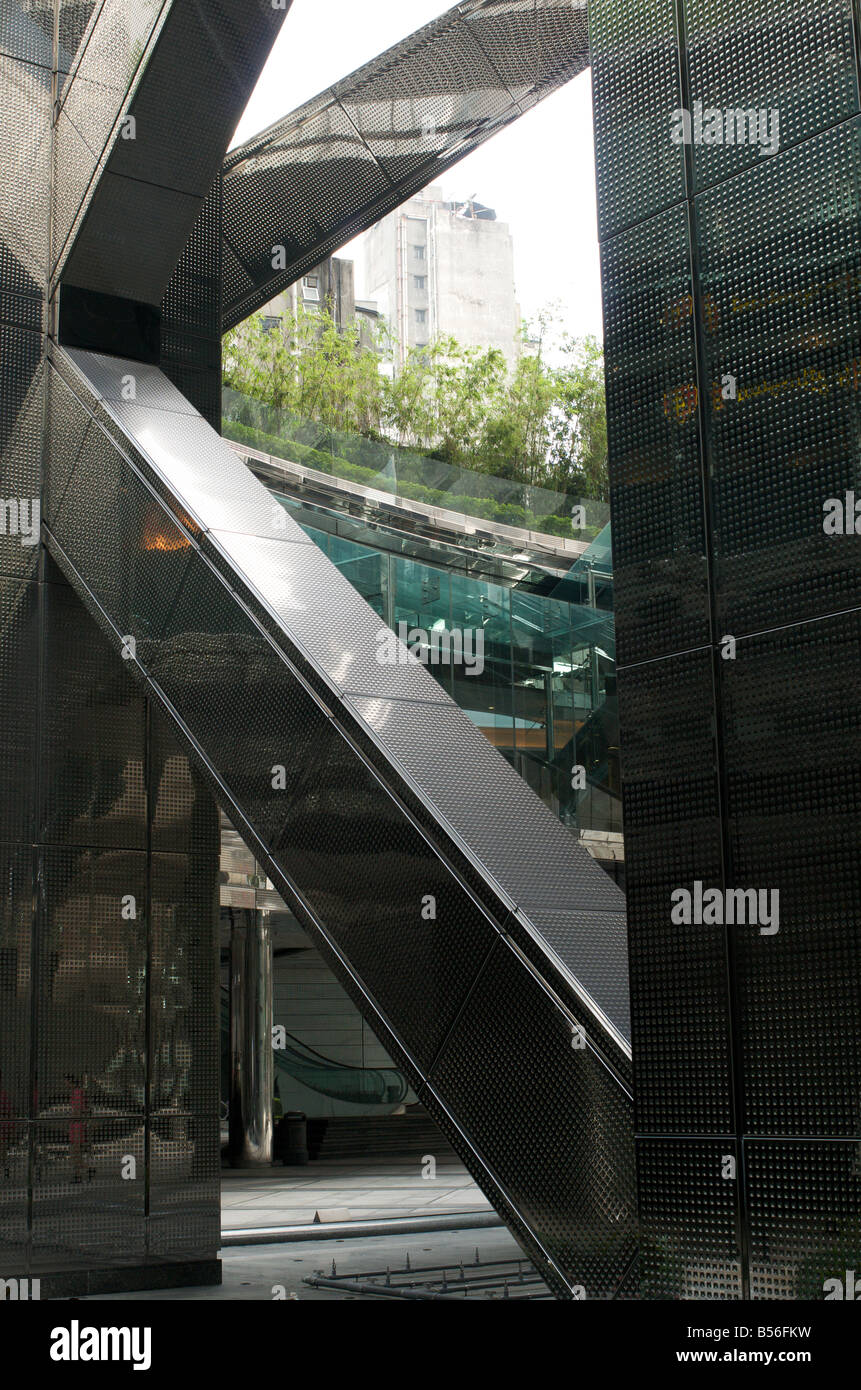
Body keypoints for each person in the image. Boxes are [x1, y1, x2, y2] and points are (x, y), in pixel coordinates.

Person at [66, 1073, 91, 1182]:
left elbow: (77, 1110)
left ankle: (78, 1174)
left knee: (75, 1151)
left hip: (76, 1124)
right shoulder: (78, 1092)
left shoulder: (77, 1093)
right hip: (77, 1124)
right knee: (76, 1151)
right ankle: (86, 1170)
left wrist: (70, 1117)